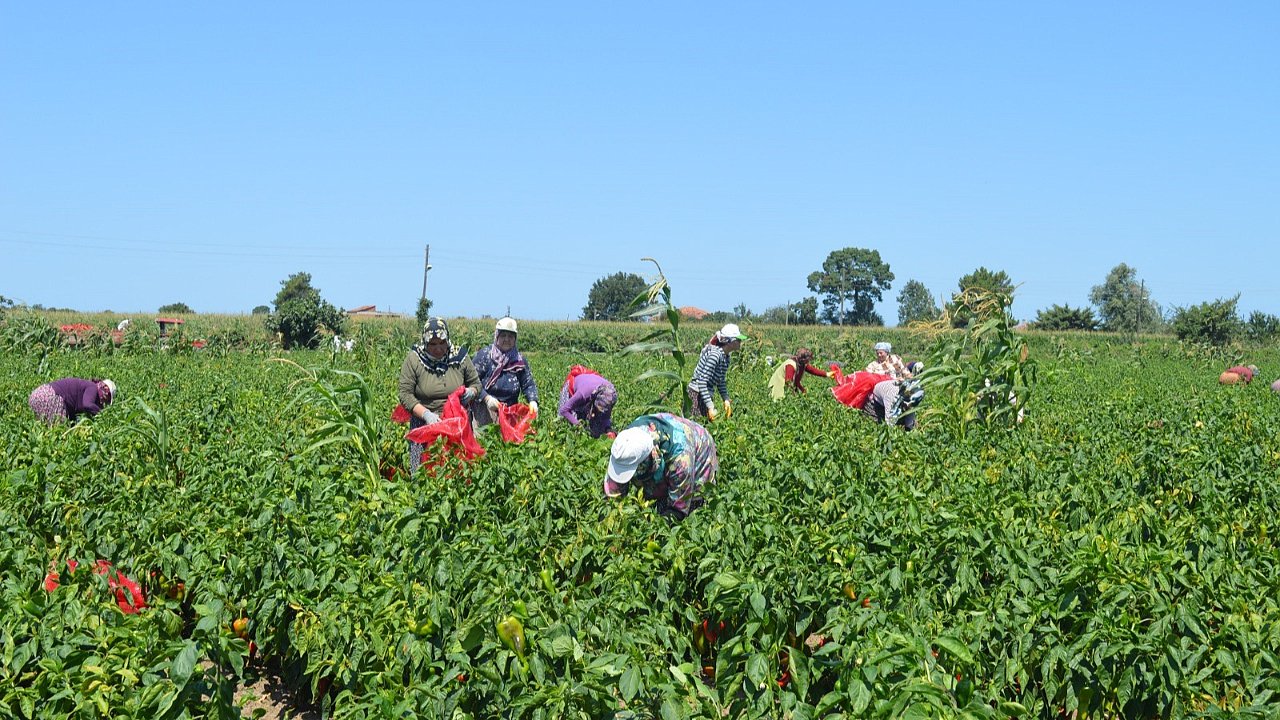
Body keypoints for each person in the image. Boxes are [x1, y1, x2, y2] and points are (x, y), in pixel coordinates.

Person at [398, 317, 482, 475]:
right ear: (425, 342)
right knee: (424, 473)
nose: (438, 348)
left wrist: (471, 392)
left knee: (459, 471)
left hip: (457, 424)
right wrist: (426, 414)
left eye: (442, 343)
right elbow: (405, 394)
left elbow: (476, 384)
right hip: (425, 424)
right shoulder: (415, 360)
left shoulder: (460, 357)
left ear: (448, 339)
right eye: (433, 344)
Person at [603, 413, 718, 519]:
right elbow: (614, 493)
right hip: (672, 440)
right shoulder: (626, 443)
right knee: (654, 501)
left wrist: (657, 529)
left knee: (692, 505)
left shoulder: (681, 460)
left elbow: (678, 507)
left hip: (699, 447)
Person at [471, 317, 540, 428]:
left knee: (510, 442)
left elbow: (528, 384)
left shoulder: (519, 360)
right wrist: (486, 398)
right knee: (484, 440)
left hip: (510, 410)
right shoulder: (485, 355)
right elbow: (472, 381)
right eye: (503, 335)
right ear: (497, 336)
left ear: (515, 339)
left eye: (510, 336)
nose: (507, 339)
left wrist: (533, 400)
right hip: (485, 408)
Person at [687, 323, 747, 421]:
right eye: (738, 340)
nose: (740, 342)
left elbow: (720, 380)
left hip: (706, 395)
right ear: (729, 341)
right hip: (696, 396)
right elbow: (702, 382)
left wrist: (726, 399)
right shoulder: (715, 355)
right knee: (696, 428)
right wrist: (710, 406)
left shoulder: (726, 357)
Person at [558, 366, 618, 438]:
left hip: (590, 386)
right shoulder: (583, 393)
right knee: (566, 420)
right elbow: (564, 410)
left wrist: (608, 429)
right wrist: (578, 425)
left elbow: (606, 417)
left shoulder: (611, 396)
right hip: (573, 386)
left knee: (596, 421)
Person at [29, 377, 117, 424]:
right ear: (105, 389)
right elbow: (88, 405)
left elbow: (71, 411)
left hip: (38, 394)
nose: (105, 402)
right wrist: (103, 414)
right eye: (107, 399)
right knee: (59, 436)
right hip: (50, 396)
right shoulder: (92, 387)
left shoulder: (87, 387)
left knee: (44, 430)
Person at [768, 347, 836, 400]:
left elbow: (812, 370)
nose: (809, 361)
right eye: (808, 359)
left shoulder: (801, 363)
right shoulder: (790, 365)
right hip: (779, 385)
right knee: (780, 402)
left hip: (788, 386)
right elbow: (788, 382)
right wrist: (794, 394)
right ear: (804, 359)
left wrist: (827, 374)